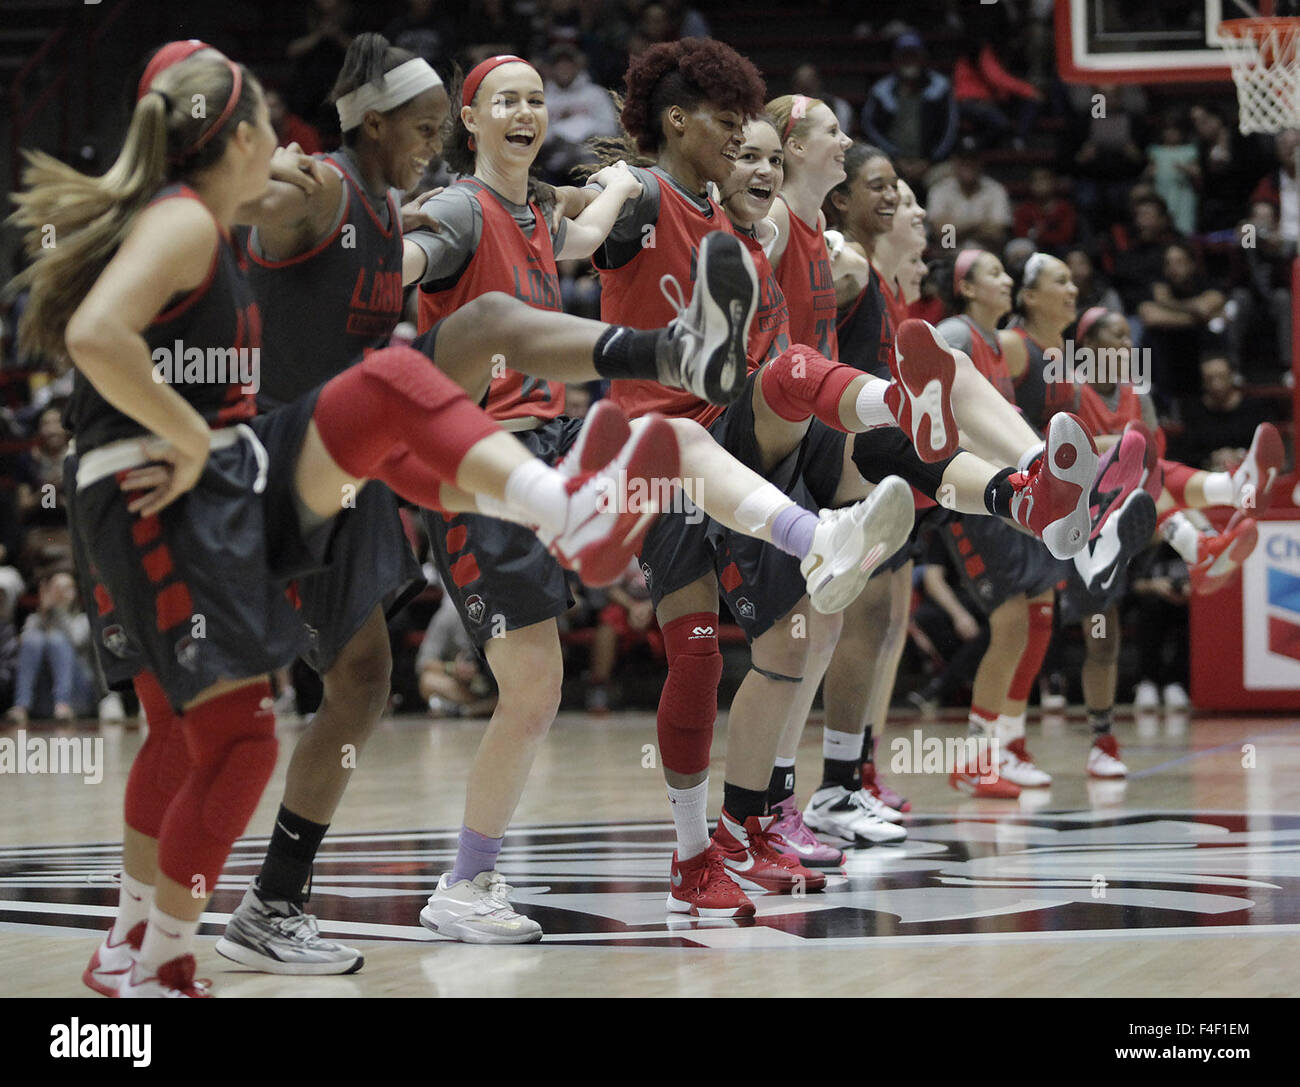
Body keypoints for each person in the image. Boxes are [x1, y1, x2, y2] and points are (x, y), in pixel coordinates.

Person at [10, 49, 694, 997]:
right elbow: (97, 336)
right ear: (249, 137)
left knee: (389, 416)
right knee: (226, 723)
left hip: (253, 464)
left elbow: (559, 226)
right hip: (179, 483)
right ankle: (155, 950)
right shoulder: (260, 206)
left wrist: (621, 182)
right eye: (425, 128)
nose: (435, 149)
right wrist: (189, 435)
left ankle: (146, 947)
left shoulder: (253, 210)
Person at [860, 31, 958, 189]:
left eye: (914, 55)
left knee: (949, 181)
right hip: (892, 162)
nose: (909, 61)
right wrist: (896, 158)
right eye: (905, 56)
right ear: (896, 59)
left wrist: (929, 161)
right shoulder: (881, 90)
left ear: (923, 57)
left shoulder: (940, 88)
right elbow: (870, 128)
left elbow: (950, 129)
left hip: (932, 164)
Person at [5, 571, 96, 724]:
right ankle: (21, 706)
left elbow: (77, 639)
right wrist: (43, 612)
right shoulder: (35, 618)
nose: (60, 593)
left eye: (66, 588)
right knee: (32, 638)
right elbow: (23, 644)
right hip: (43, 699)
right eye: (56, 588)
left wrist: (59, 611)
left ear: (76, 593)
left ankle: (63, 704)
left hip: (77, 697)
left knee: (56, 640)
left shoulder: (82, 620)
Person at [925, 138, 1013, 251]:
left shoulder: (996, 190)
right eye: (963, 159)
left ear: (981, 161)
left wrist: (955, 227)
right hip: (949, 259)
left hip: (986, 259)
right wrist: (979, 226)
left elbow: (998, 235)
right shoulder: (940, 190)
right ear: (954, 161)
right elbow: (944, 238)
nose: (968, 163)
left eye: (973, 159)